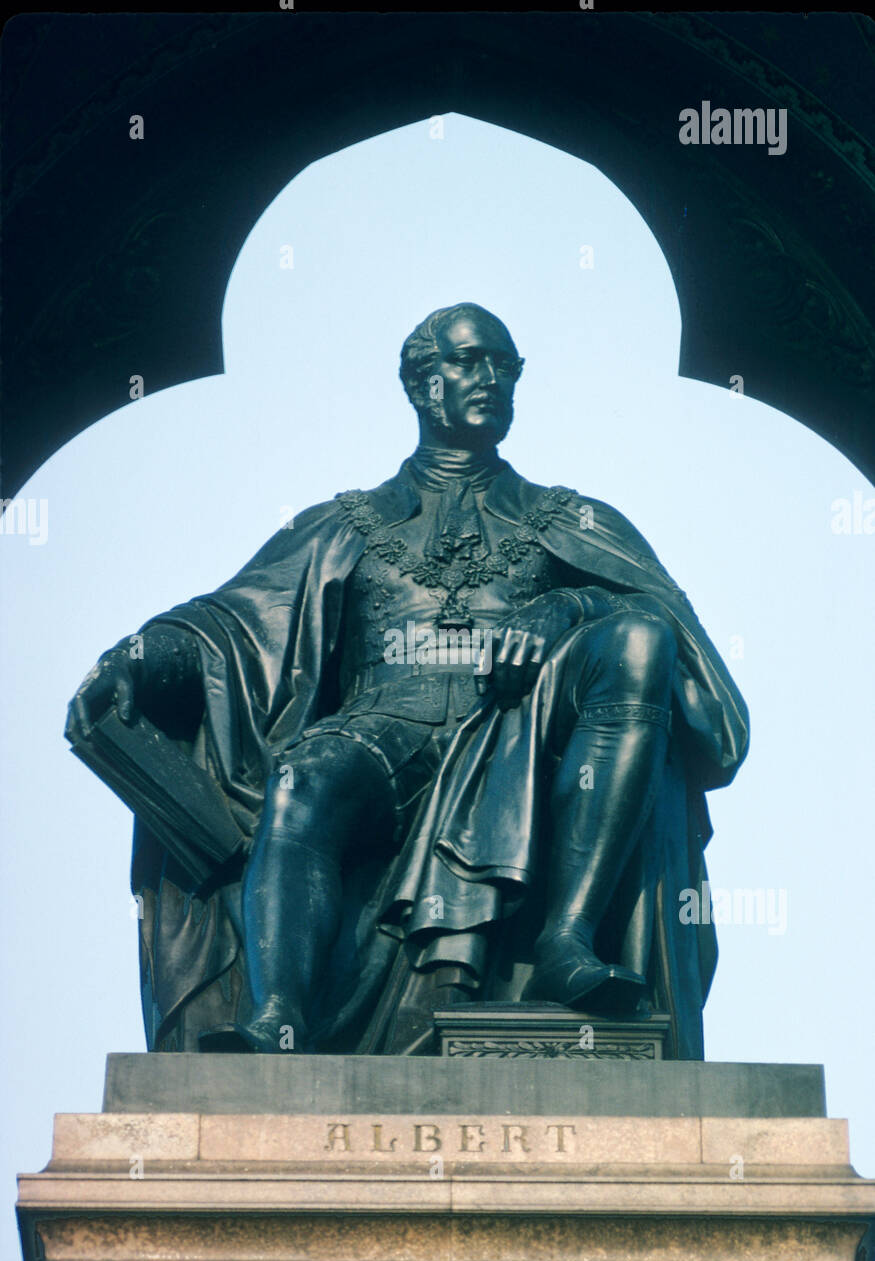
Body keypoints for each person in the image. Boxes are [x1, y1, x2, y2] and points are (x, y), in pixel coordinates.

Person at [66, 303, 749, 1057]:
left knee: (638, 637)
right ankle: (279, 1016)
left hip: (516, 735)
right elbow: (230, 622)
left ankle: (566, 938)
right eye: (467, 361)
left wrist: (568, 604)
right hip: (380, 731)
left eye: (503, 365)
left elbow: (667, 632)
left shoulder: (573, 520)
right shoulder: (345, 522)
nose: (489, 378)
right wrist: (138, 655)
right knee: (306, 778)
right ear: (421, 384)